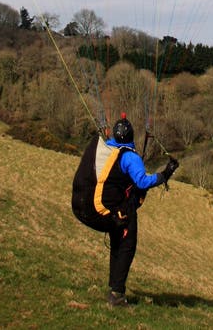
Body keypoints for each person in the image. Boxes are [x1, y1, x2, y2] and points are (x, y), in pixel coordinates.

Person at [72, 115, 179, 308]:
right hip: (111, 213)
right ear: (131, 136)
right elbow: (142, 182)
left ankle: (115, 288)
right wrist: (166, 173)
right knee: (126, 247)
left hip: (88, 208)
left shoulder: (109, 149)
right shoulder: (130, 157)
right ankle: (117, 294)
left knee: (118, 245)